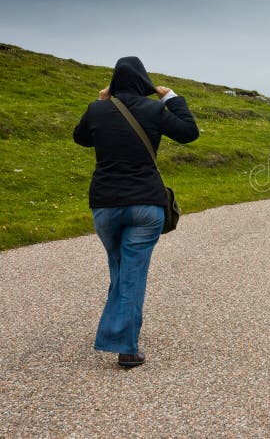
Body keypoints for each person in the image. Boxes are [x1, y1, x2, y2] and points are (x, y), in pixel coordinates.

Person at [73, 56, 199, 367]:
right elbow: (189, 132)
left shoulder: (97, 109)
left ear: (114, 83)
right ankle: (126, 346)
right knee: (132, 272)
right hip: (145, 205)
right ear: (143, 81)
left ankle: (119, 330)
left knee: (121, 267)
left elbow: (81, 138)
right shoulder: (155, 109)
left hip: (104, 205)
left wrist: (101, 101)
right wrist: (169, 97)